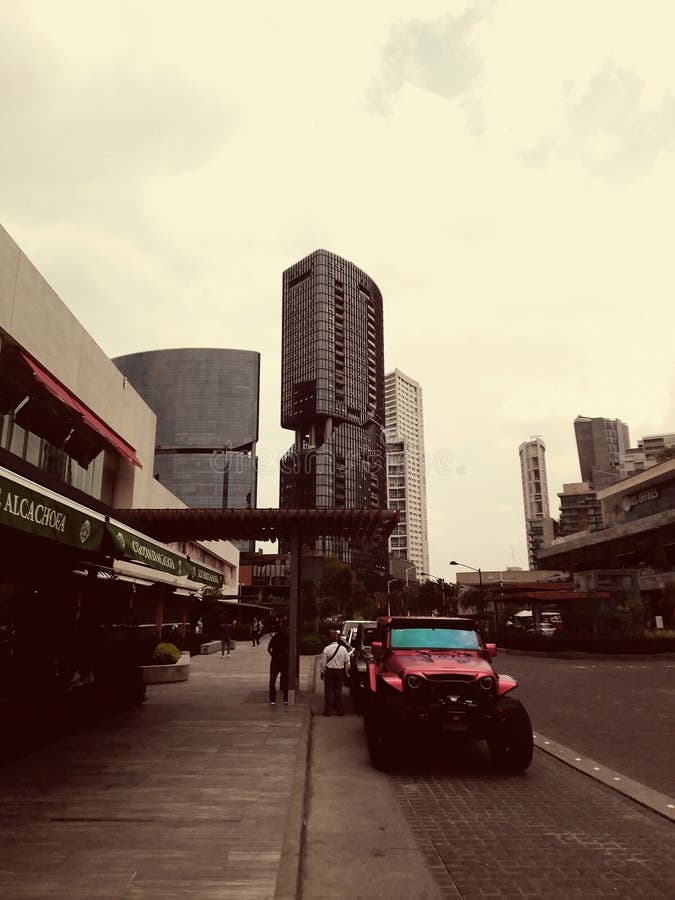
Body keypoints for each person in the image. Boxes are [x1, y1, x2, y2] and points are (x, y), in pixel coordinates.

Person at [319, 628, 352, 716]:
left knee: (328, 691)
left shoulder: (327, 649)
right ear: (337, 638)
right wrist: (347, 673)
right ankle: (340, 711)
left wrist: (322, 672)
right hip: (339, 672)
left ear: (329, 639)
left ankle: (327, 711)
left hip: (329, 672)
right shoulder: (343, 649)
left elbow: (323, 663)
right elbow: (347, 662)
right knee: (338, 691)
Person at [267, 622, 289, 705]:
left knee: (272, 681)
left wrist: (273, 655)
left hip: (275, 661)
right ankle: (286, 698)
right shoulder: (287, 638)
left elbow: (269, 648)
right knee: (285, 680)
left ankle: (272, 699)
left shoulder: (274, 638)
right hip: (284, 661)